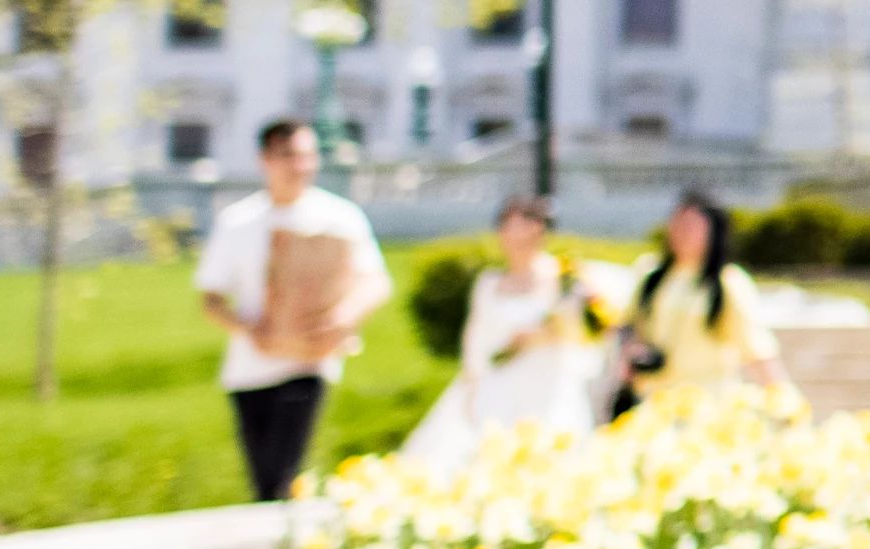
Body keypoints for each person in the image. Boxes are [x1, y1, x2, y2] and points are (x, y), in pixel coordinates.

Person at [191, 118, 390, 501]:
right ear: (265, 160)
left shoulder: (340, 217)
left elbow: (375, 281)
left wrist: (344, 317)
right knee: (263, 478)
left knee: (282, 476)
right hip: (250, 367)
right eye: (288, 156)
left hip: (308, 363)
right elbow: (211, 300)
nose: (299, 166)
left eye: (307, 156)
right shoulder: (238, 222)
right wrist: (249, 329)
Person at [405, 194, 602, 465]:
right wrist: (473, 379)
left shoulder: (563, 277)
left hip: (547, 382)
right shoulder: (489, 282)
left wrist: (540, 336)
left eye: (526, 229)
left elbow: (587, 329)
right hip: (498, 379)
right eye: (510, 229)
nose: (518, 240)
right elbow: (475, 336)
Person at [612, 191, 789, 414]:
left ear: (712, 232)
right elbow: (628, 324)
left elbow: (756, 349)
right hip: (652, 403)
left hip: (707, 407)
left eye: (691, 227)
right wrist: (630, 355)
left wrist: (784, 401)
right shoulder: (650, 274)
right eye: (677, 224)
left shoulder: (728, 283)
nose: (681, 233)